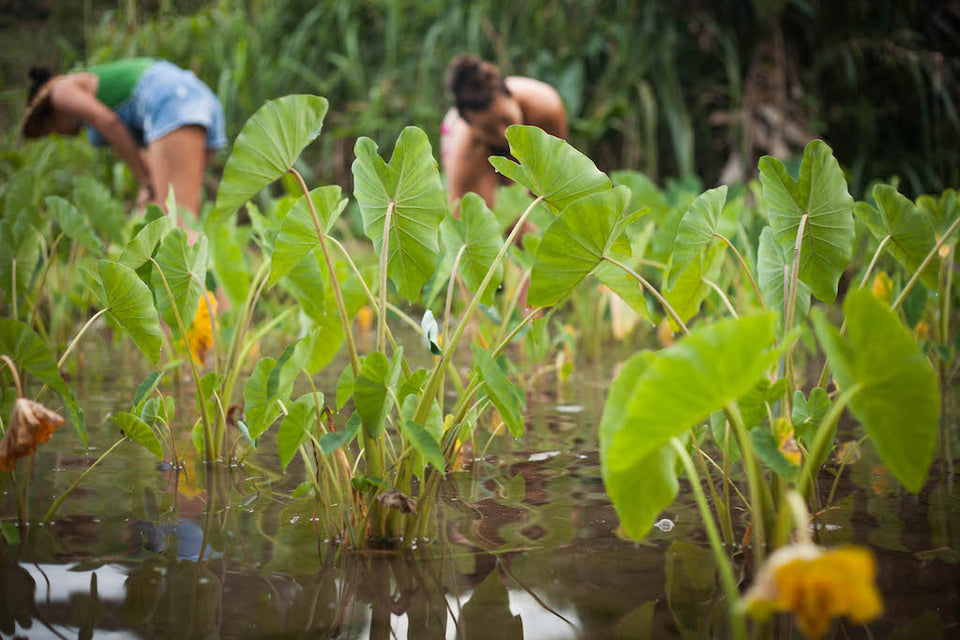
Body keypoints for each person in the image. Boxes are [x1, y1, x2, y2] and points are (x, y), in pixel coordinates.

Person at [21, 57, 226, 219]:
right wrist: (148, 186)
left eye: (51, 130)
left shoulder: (60, 92)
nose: (59, 134)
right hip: (197, 98)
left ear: (48, 116)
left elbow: (109, 122)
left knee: (176, 221)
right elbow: (142, 150)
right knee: (169, 214)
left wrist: (145, 180)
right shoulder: (90, 88)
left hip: (172, 102)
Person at [441, 55, 568, 212]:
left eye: (506, 120)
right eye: (489, 130)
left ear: (511, 98)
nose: (504, 134)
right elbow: (463, 222)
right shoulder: (463, 150)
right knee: (492, 215)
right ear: (472, 127)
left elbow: (554, 174)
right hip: (472, 147)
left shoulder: (545, 106)